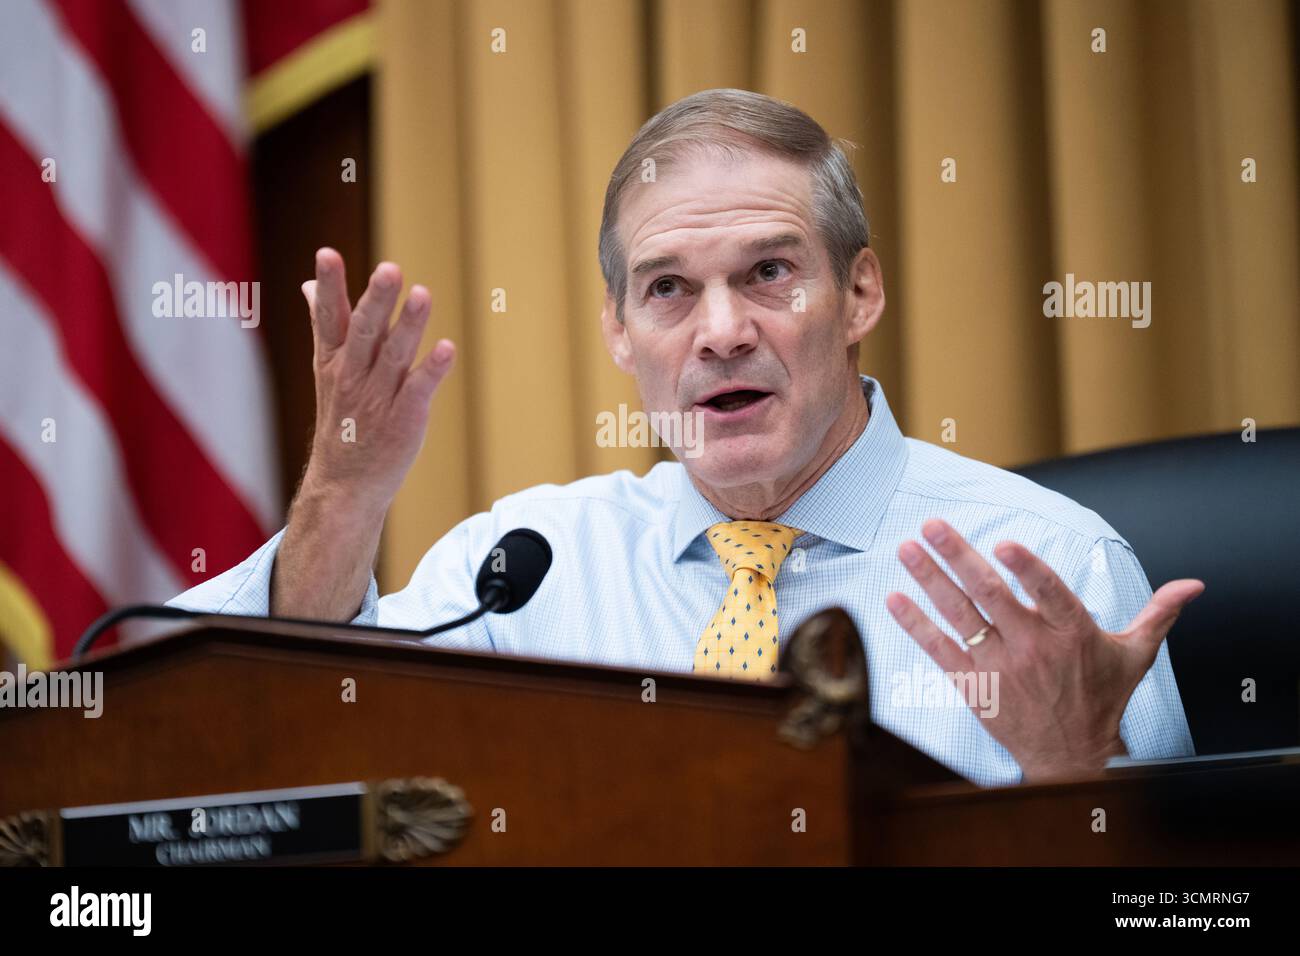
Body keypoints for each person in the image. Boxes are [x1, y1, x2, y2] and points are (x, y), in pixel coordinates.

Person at [171, 89, 1198, 787]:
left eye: (768, 272)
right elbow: (271, 747)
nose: (721, 332)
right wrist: (342, 496)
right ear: (619, 330)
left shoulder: (1051, 567)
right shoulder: (523, 568)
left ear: (859, 291)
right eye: (668, 289)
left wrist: (1073, 781)